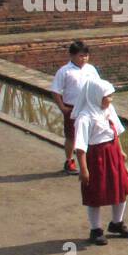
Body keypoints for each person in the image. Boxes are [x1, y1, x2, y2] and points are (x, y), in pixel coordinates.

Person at [73, 77, 128, 246]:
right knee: (96, 193)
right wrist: (84, 169)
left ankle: (117, 222)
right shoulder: (85, 118)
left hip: (112, 153)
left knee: (121, 188)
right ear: (96, 96)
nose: (110, 100)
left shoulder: (108, 110)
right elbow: (80, 147)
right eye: (108, 97)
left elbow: (114, 132)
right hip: (97, 157)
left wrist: (120, 150)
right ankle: (95, 229)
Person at [50, 40, 100, 174]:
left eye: (86, 55)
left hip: (89, 107)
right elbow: (55, 91)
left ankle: (89, 162)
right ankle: (69, 160)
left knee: (90, 135)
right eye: (80, 56)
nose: (84, 58)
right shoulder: (64, 71)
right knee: (72, 136)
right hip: (72, 107)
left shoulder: (91, 69)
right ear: (72, 56)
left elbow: (99, 87)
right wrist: (62, 107)